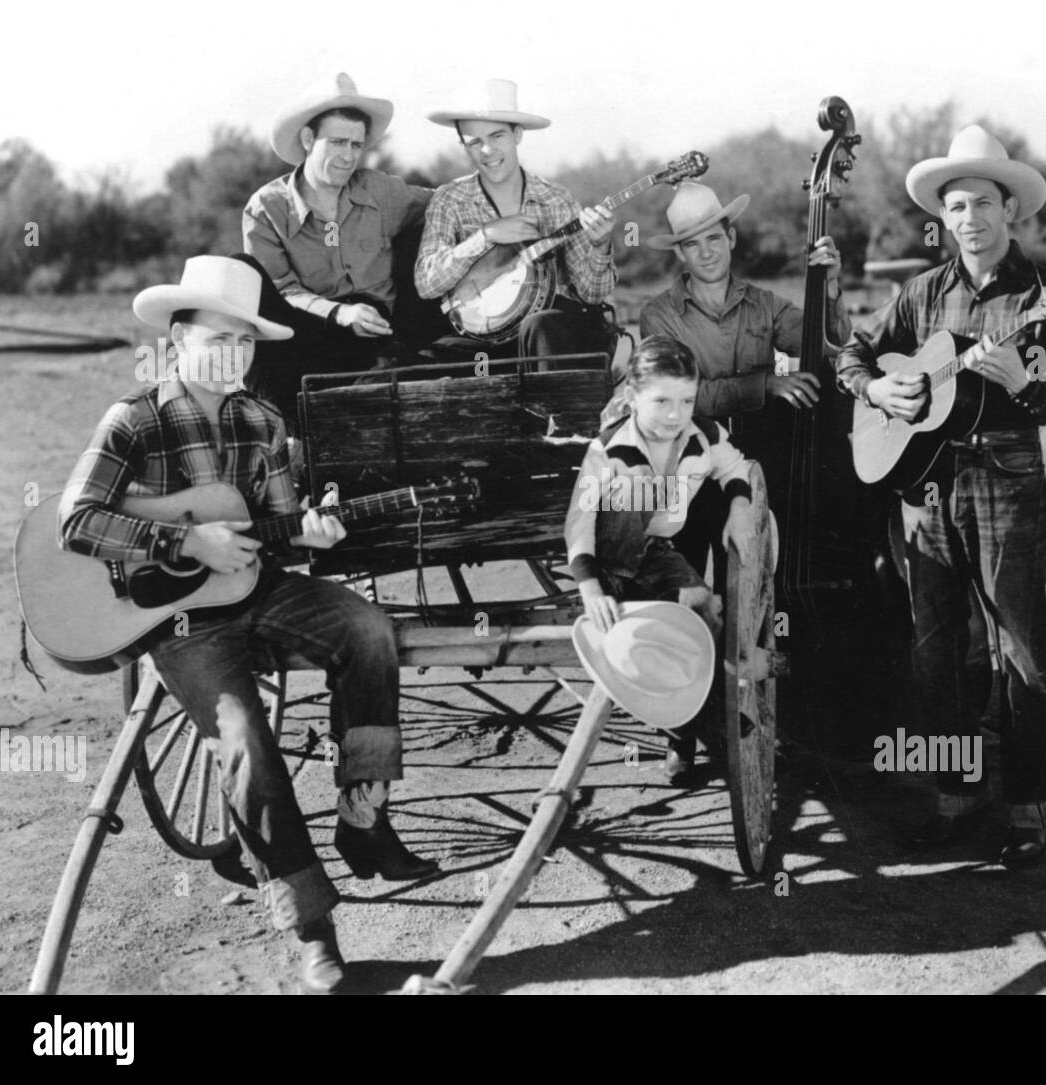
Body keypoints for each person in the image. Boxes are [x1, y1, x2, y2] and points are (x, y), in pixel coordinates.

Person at [58, 256, 438, 994]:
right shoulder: (133, 421)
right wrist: (184, 541)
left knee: (368, 629)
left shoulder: (262, 420)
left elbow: (278, 525)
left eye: (249, 341)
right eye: (220, 337)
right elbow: (76, 519)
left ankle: (363, 816)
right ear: (176, 341)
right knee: (243, 741)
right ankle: (313, 930)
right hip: (182, 623)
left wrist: (313, 533)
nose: (237, 355)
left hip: (260, 590)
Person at [836, 125, 1046, 869]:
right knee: (933, 655)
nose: (969, 218)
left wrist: (1021, 382)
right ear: (942, 218)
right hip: (925, 488)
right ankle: (954, 800)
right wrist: (877, 384)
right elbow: (853, 353)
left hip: (1006, 481)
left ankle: (1030, 812)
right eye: (956, 206)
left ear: (1010, 209)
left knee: (1021, 655)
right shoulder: (920, 293)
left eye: (982, 202)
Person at [635, 182, 851, 776]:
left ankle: (751, 714)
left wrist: (830, 290)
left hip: (751, 469)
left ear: (730, 238)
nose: (705, 252)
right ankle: (679, 733)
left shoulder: (764, 304)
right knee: (683, 595)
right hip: (683, 471)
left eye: (713, 237)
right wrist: (763, 386)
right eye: (690, 244)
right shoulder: (659, 314)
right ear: (678, 254)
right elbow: (676, 397)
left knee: (751, 593)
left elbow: (827, 351)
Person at [563, 335, 753, 777]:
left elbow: (736, 466)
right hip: (612, 554)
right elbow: (579, 521)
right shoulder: (609, 449)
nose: (675, 414)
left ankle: (687, 721)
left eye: (687, 401)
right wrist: (591, 588)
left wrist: (740, 507)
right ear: (632, 398)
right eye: (662, 401)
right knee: (628, 491)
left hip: (653, 552)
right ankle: (698, 729)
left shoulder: (702, 435)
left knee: (703, 606)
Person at [243, 72, 435, 426]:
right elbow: (279, 290)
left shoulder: (381, 191)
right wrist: (338, 313)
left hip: (386, 331)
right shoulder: (266, 209)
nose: (348, 156)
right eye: (336, 142)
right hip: (314, 331)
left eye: (356, 145)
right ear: (307, 138)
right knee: (244, 276)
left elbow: (446, 203)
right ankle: (286, 441)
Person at [415, 79, 616, 361]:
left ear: (517, 134)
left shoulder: (556, 199)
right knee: (427, 359)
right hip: (481, 342)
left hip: (549, 340)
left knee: (543, 328)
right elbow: (427, 284)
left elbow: (592, 295)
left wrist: (600, 247)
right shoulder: (449, 199)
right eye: (474, 142)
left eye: (497, 136)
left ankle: (552, 405)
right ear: (463, 145)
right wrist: (484, 237)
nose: (487, 151)